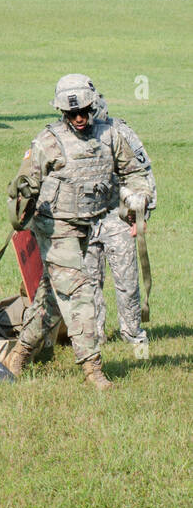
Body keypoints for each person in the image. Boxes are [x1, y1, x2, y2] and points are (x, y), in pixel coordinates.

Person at [4, 74, 150, 389]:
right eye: (72, 114)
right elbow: (22, 186)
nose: (79, 118)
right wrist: (22, 201)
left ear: (92, 105)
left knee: (53, 299)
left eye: (84, 110)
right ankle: (92, 369)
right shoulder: (47, 142)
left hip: (86, 224)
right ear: (62, 113)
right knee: (81, 291)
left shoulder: (112, 135)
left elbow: (135, 171)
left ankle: (19, 354)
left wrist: (137, 202)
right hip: (54, 226)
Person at [90, 94, 155, 345]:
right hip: (85, 218)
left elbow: (143, 175)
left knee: (127, 281)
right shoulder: (66, 135)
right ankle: (94, 335)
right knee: (89, 282)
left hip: (118, 217)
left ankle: (132, 333)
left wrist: (141, 217)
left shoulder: (121, 133)